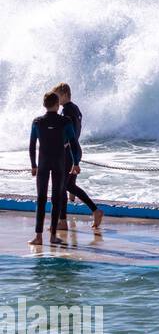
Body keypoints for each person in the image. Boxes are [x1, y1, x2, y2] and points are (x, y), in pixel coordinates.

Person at [29, 91, 81, 246]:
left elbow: (32, 146)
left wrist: (33, 165)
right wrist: (76, 162)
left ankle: (38, 237)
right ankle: (52, 236)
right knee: (56, 198)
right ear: (57, 105)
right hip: (59, 163)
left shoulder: (37, 122)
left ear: (44, 105)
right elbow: (73, 143)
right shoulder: (65, 122)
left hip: (43, 164)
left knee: (41, 198)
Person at [54, 83, 103, 229]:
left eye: (57, 96)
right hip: (74, 150)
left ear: (64, 94)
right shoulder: (74, 108)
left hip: (69, 151)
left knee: (63, 186)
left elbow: (72, 131)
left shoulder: (67, 110)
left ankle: (63, 221)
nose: (56, 99)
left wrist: (65, 144)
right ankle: (95, 211)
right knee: (69, 185)